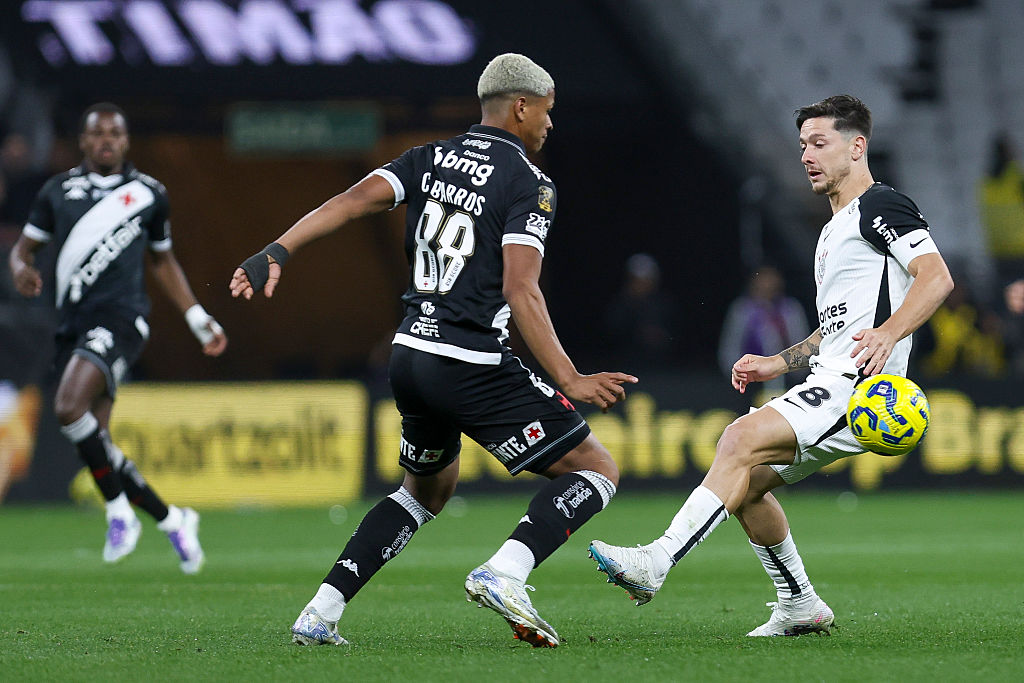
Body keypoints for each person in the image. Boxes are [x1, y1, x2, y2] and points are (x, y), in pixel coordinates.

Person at [231, 53, 636, 648]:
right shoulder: (529, 182)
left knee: (425, 490)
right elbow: (521, 289)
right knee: (596, 469)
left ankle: (320, 613)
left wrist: (277, 250)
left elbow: (348, 202)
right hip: (470, 360)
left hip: (410, 357)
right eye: (547, 112)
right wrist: (569, 377)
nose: (550, 124)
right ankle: (506, 572)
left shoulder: (427, 158)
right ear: (521, 107)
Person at [589, 95, 954, 636]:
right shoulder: (834, 229)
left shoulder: (882, 205)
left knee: (737, 440)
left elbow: (936, 276)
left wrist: (889, 332)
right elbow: (836, 328)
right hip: (831, 376)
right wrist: (777, 362)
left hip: (862, 390)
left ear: (857, 147)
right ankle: (799, 604)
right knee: (745, 483)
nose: (806, 155)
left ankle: (656, 561)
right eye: (803, 145)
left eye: (820, 143)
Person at [8, 103, 228, 572]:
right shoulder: (58, 191)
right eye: (97, 133)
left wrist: (195, 317)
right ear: (83, 141)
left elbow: (163, 260)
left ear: (126, 141)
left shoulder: (149, 193)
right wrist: (21, 269)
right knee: (97, 443)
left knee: (68, 407)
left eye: (114, 133)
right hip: (73, 324)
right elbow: (23, 249)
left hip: (122, 320)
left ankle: (118, 512)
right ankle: (173, 520)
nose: (106, 140)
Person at [718, 265, 809, 396]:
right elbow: (730, 348)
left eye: (771, 280)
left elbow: (802, 342)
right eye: (762, 280)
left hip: (787, 376)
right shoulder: (742, 310)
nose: (767, 285)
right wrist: (737, 374)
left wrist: (797, 374)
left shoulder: (791, 308)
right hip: (749, 380)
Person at [603, 253, 675, 369]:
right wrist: (638, 333)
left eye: (647, 279)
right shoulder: (620, 304)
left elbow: (675, 333)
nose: (642, 284)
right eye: (638, 279)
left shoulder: (663, 304)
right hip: (626, 366)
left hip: (661, 368)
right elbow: (611, 335)